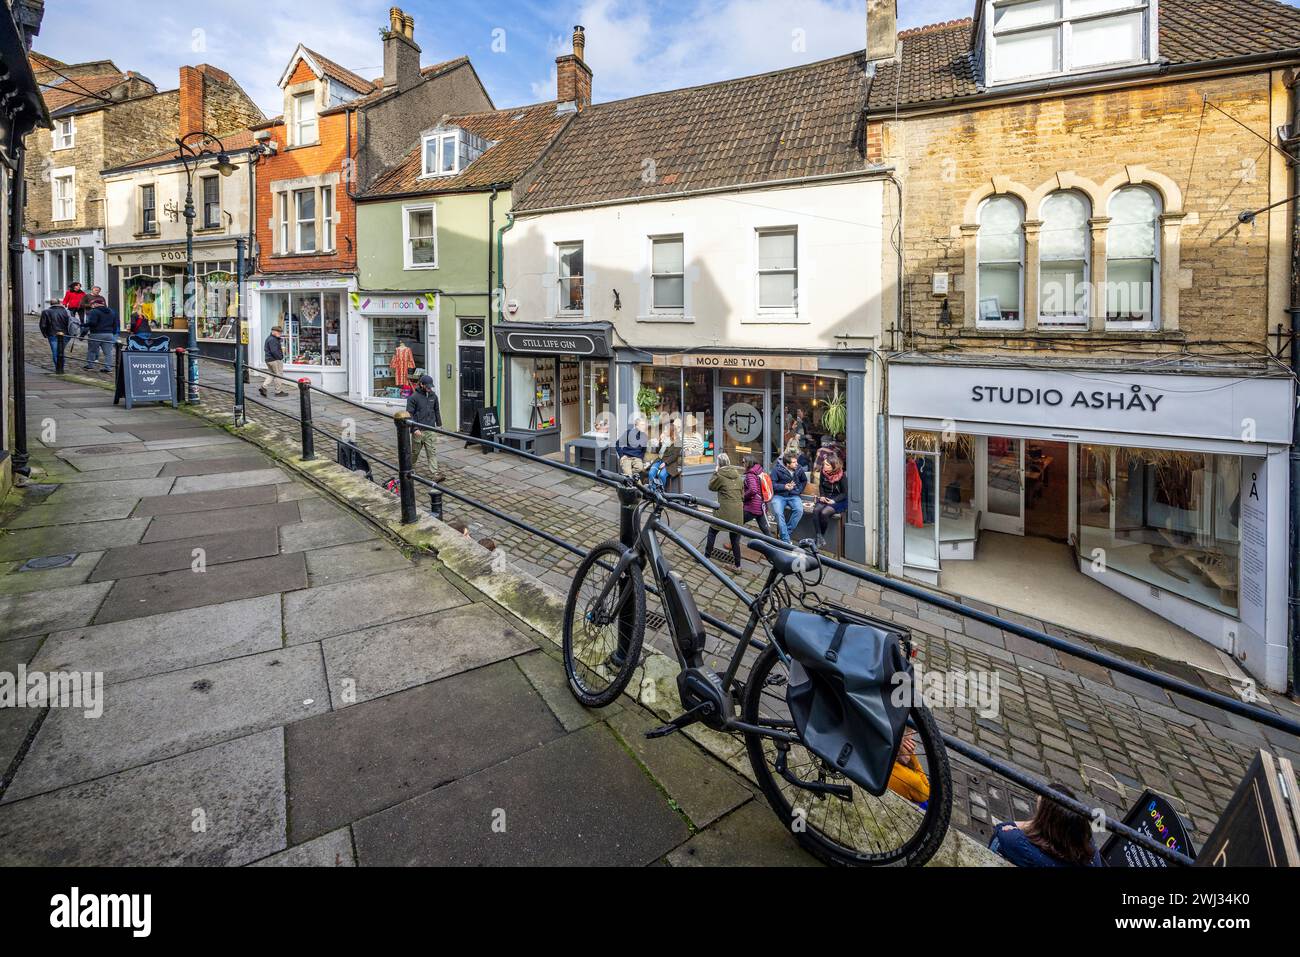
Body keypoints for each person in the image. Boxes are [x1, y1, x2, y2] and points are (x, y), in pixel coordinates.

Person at [989, 783, 1103, 867]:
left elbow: (1001, 832)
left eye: (1038, 813)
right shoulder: (1087, 844)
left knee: (998, 843)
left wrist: (1032, 825)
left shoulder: (1019, 842)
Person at [704, 453, 744, 567]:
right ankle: (738, 565)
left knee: (712, 531)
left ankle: (706, 557)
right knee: (735, 539)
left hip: (724, 510)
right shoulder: (738, 476)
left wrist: (715, 472)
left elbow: (711, 487)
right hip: (737, 511)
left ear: (719, 464)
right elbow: (742, 495)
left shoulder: (720, 476)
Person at [406, 374, 443, 480]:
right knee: (415, 452)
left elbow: (436, 410)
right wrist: (415, 428)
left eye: (430, 386)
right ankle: (410, 468)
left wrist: (439, 425)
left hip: (431, 429)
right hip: (418, 430)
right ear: (421, 384)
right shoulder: (413, 398)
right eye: (427, 386)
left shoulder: (433, 396)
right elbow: (410, 414)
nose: (429, 388)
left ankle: (435, 473)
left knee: (432, 452)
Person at [770, 450, 809, 543]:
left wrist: (799, 490)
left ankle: (785, 533)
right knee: (778, 513)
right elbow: (772, 484)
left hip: (794, 495)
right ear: (787, 464)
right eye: (794, 462)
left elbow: (804, 480)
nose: (797, 464)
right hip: (779, 496)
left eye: (796, 461)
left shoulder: (799, 468)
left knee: (799, 510)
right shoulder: (777, 469)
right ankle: (786, 540)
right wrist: (784, 487)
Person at [887, 729, 931, 806]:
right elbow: (927, 794)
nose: (913, 733)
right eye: (909, 731)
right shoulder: (911, 779)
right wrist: (913, 758)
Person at [813, 453, 847, 548]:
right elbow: (821, 486)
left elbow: (844, 493)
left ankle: (820, 537)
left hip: (838, 499)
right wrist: (822, 496)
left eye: (827, 465)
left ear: (834, 466)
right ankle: (819, 537)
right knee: (816, 510)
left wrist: (834, 501)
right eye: (824, 464)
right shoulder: (823, 472)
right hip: (826, 496)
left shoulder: (842, 475)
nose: (824, 466)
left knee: (824, 513)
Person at [81, 299, 118, 373]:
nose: (92, 305)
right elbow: (115, 323)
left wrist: (83, 325)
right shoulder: (111, 311)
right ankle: (108, 368)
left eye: (93, 304)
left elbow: (93, 323)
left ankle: (90, 366)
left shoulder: (94, 311)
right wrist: (113, 333)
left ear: (96, 304)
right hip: (109, 334)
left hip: (96, 334)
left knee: (92, 350)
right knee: (108, 352)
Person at [741, 454, 773, 538]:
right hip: (761, 506)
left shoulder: (750, 474)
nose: (742, 464)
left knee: (737, 522)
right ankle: (775, 546)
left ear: (748, 462)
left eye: (743, 462)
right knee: (765, 529)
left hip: (752, 507)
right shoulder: (759, 471)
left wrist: (743, 497)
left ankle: (733, 543)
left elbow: (753, 490)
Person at [38, 298, 71, 373]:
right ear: (59, 303)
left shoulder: (46, 312)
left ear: (50, 304)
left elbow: (42, 325)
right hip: (65, 334)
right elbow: (70, 323)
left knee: (56, 352)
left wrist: (45, 334)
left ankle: (59, 369)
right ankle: (61, 367)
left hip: (52, 334)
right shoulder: (66, 311)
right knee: (61, 351)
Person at [651, 416, 683, 491]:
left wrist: (665, 463)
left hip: (670, 464)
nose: (664, 431)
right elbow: (657, 452)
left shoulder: (678, 441)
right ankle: (653, 492)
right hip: (659, 460)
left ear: (671, 431)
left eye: (666, 429)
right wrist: (660, 441)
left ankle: (660, 492)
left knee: (662, 475)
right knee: (651, 474)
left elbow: (674, 456)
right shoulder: (665, 439)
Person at [260, 326, 288, 397]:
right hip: (274, 360)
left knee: (272, 374)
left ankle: (264, 387)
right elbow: (274, 351)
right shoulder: (273, 339)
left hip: (269, 360)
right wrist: (280, 357)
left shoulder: (270, 338)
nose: (280, 333)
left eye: (280, 332)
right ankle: (278, 392)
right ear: (273, 331)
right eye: (278, 332)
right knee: (278, 375)